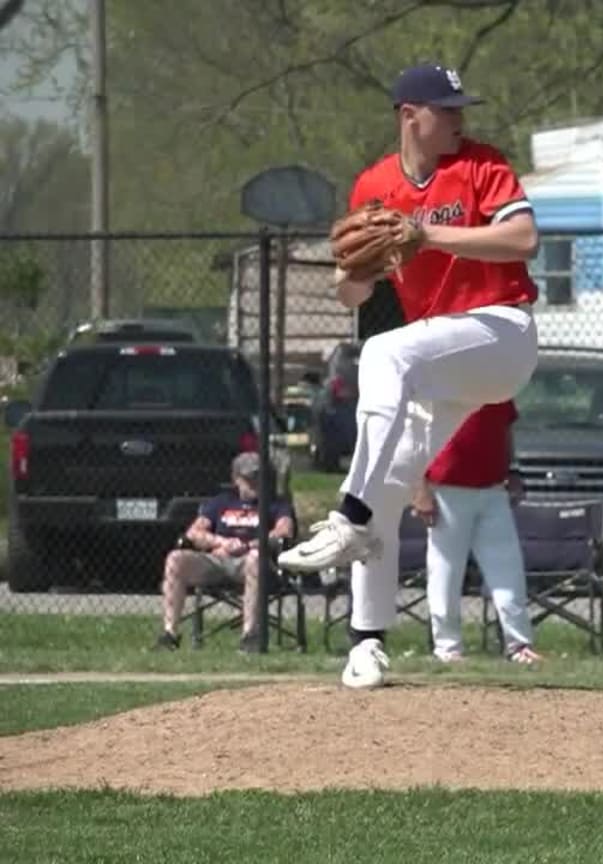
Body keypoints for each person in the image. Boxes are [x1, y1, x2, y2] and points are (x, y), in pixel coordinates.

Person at [277, 63, 541, 690]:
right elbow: (348, 291)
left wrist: (426, 235)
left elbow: (523, 238)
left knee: (381, 353)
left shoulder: (482, 164)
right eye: (446, 109)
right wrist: (361, 268)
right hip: (442, 361)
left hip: (502, 333)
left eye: (459, 109)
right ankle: (367, 642)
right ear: (409, 116)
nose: (459, 119)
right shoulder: (375, 184)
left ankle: (346, 516)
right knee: (393, 484)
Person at [412, 400, 541, 665]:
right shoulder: (439, 380)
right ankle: (447, 648)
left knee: (507, 569)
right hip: (446, 487)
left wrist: (513, 469)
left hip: (493, 488)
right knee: (446, 570)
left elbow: (505, 428)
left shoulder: (497, 380)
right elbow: (416, 434)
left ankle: (519, 645)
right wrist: (419, 487)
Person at [156, 452, 296, 652]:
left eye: (258, 477)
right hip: (218, 560)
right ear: (236, 479)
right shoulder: (221, 502)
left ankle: (250, 636)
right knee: (176, 559)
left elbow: (284, 531)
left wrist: (250, 546)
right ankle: (169, 634)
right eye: (249, 479)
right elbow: (194, 532)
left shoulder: (276, 504)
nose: (255, 483)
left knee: (254, 560)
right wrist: (221, 542)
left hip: (255, 563)